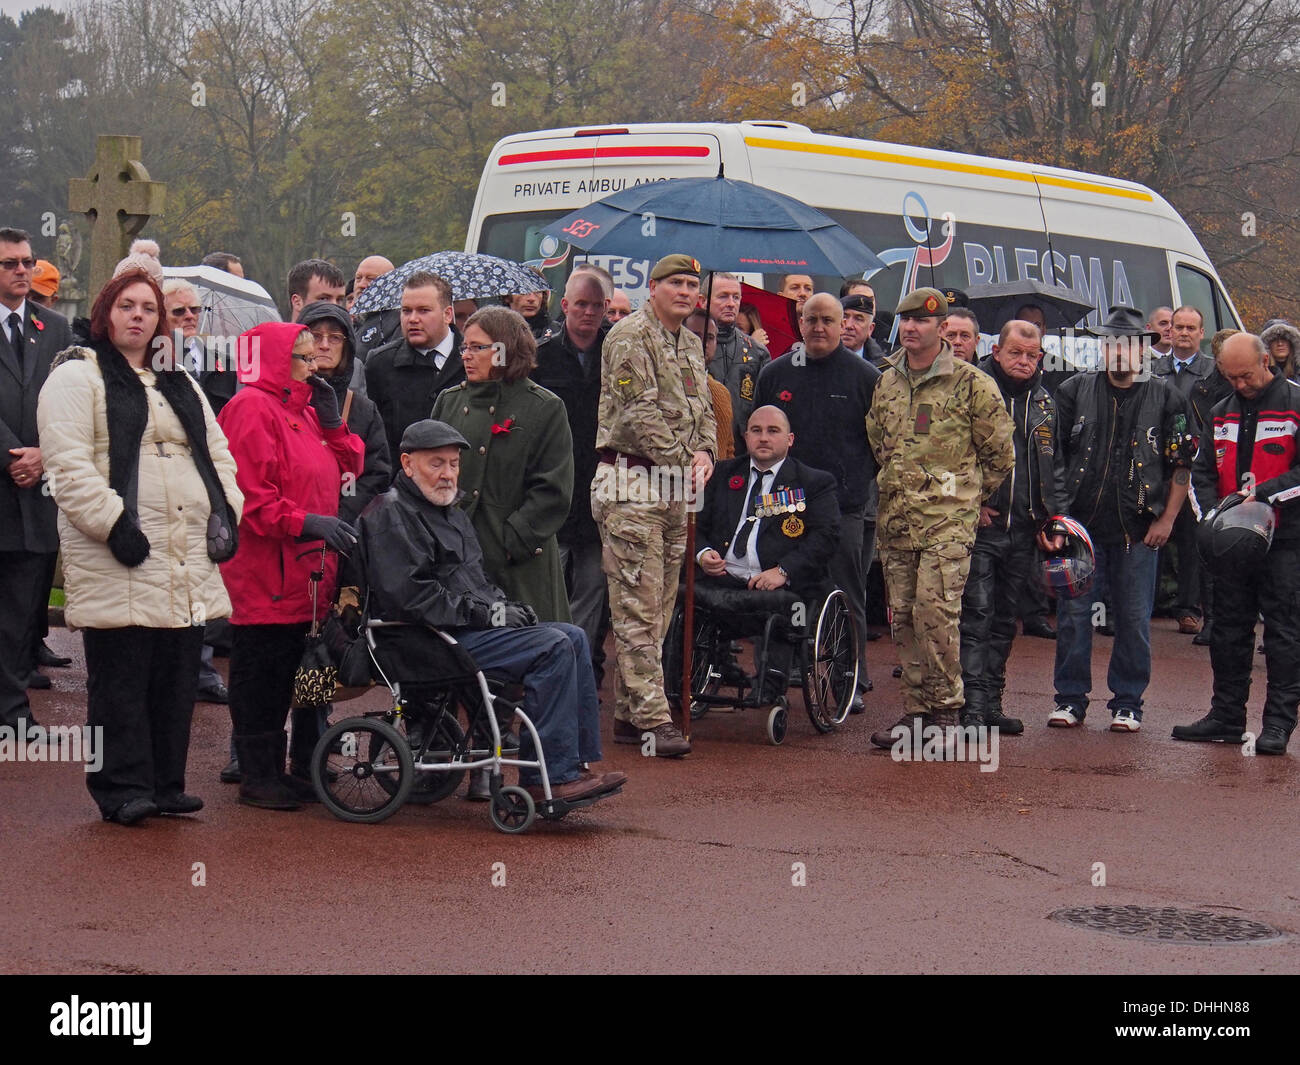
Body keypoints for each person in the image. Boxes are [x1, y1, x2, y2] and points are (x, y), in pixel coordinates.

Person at [38, 268, 243, 824]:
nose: (138, 316)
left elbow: (219, 455)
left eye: (149, 309)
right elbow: (68, 468)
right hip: (121, 550)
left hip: (187, 554)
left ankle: (164, 784)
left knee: (175, 675)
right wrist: (115, 525)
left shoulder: (180, 381)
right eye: (127, 306)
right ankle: (121, 789)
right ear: (106, 313)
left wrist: (228, 514)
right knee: (121, 680)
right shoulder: (76, 377)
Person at [358, 420, 625, 804]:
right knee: (553, 646)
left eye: (453, 464)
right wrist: (490, 616)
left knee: (573, 634)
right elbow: (412, 598)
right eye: (436, 464)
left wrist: (506, 607)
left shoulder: (450, 511)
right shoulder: (391, 513)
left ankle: (572, 766)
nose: (448, 474)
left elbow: (477, 582)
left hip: (459, 631)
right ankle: (550, 777)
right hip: (422, 640)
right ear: (407, 463)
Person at [217, 321, 364, 810]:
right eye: (302, 358)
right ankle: (257, 773)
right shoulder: (251, 408)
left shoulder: (299, 410)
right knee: (261, 676)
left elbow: (349, 468)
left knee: (304, 673)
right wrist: (307, 523)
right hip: (269, 573)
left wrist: (333, 422)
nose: (315, 364)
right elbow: (250, 501)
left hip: (309, 576)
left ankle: (295, 765)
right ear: (277, 361)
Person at [866, 287, 1014, 749]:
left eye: (922, 322)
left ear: (941, 329)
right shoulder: (887, 379)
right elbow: (877, 441)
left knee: (936, 611)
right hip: (896, 519)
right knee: (904, 617)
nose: (912, 328)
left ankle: (947, 712)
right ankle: (916, 713)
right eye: (906, 321)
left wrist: (964, 498)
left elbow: (1000, 456)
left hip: (946, 524)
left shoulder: (972, 383)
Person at [591, 253, 716, 758]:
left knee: (661, 605)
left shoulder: (689, 343)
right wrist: (685, 460)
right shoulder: (627, 337)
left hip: (675, 489)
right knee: (637, 605)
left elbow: (705, 407)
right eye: (676, 283)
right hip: (633, 483)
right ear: (653, 287)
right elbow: (639, 411)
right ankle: (654, 717)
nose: (686, 292)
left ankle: (629, 710)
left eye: (692, 284)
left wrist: (705, 450)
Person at [1048, 305, 1195, 732]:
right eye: (1111, 343)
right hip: (1080, 526)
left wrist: (1167, 519)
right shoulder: (1073, 389)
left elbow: (1180, 464)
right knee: (1075, 617)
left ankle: (1128, 703)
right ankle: (1070, 700)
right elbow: (1053, 457)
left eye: (1129, 344)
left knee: (1133, 618)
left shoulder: (1168, 395)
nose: (1119, 352)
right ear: (1102, 347)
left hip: (1139, 526)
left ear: (1145, 350)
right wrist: (1060, 518)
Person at [756, 292, 880, 711]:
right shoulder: (775, 374)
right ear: (801, 323)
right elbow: (758, 433)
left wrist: (858, 491)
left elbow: (878, 444)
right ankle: (781, 667)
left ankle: (852, 676)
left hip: (843, 505)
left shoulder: (865, 377)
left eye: (829, 320)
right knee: (782, 585)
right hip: (783, 502)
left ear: (843, 323)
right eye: (811, 320)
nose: (820, 328)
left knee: (846, 590)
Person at [1177, 332, 1300, 754]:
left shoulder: (1295, 404)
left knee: (1284, 633)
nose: (1239, 385)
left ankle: (1278, 724)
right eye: (1231, 377)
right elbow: (1202, 473)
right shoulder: (1220, 411)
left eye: (1245, 376)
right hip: (1231, 544)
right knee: (1228, 630)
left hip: (1285, 540)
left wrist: (1264, 496)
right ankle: (1227, 716)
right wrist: (1215, 516)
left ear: (1266, 361)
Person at [958, 321, 1066, 735]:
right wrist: (974, 501)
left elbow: (1052, 466)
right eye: (1016, 353)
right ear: (997, 351)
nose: (1024, 361)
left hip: (1024, 528)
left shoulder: (1045, 402)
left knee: (1005, 618)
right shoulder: (974, 390)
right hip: (981, 525)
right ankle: (971, 706)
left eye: (1032, 354)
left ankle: (991, 704)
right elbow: (955, 454)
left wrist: (1050, 518)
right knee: (976, 615)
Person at [431, 306, 573, 619]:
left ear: (504, 350)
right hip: (459, 562)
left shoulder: (544, 407)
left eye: (477, 347)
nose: (465, 355)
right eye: (464, 346)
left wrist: (509, 542)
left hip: (520, 569)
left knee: (530, 651)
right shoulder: (449, 401)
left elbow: (553, 491)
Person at [694, 405, 840, 699]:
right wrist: (703, 553)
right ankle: (679, 687)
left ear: (790, 439)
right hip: (724, 577)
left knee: (783, 606)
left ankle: (770, 691)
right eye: (756, 431)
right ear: (745, 436)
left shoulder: (813, 483)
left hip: (780, 584)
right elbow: (692, 525)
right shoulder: (721, 475)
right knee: (682, 596)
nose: (763, 438)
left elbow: (826, 536)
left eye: (773, 431)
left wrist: (783, 571)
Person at [0, 227, 74, 726]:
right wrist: (11, 454)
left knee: (21, 616)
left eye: (27, 261)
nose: (23, 270)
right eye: (10, 264)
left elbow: (71, 400)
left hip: (35, 495)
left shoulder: (56, 328)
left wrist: (45, 452)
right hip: (5, 477)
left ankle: (11, 710)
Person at [532, 271, 612, 686]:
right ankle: (546, 665)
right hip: (553, 491)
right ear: (564, 306)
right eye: (581, 304)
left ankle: (581, 670)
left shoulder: (617, 353)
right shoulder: (540, 356)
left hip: (602, 494)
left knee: (593, 589)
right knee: (547, 585)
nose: (589, 313)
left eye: (597, 306)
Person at [1151, 306, 1214, 635]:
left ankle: (1188, 609)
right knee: (1149, 533)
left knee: (1192, 541)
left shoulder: (1213, 373)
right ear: (1169, 331)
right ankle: (1145, 603)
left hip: (1195, 467)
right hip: (1154, 463)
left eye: (1191, 327)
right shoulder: (1152, 369)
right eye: (1179, 327)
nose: (1184, 332)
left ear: (1201, 333)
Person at [365, 271, 464, 470]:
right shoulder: (380, 363)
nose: (412, 319)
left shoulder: (474, 359)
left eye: (423, 310)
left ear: (447, 315)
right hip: (401, 488)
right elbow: (372, 439)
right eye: (406, 311)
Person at [704, 272, 770, 453]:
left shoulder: (757, 352)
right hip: (700, 449)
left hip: (743, 452)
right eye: (723, 296)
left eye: (736, 297)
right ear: (703, 300)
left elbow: (765, 409)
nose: (731, 303)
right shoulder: (689, 346)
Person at [685, 309, 736, 461]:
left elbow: (728, 448)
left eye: (710, 337)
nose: (703, 343)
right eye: (695, 335)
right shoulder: (666, 383)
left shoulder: (722, 392)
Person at [840, 293, 884, 364]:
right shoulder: (818, 358)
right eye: (844, 317)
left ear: (870, 329)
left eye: (858, 319)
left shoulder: (883, 368)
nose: (848, 325)